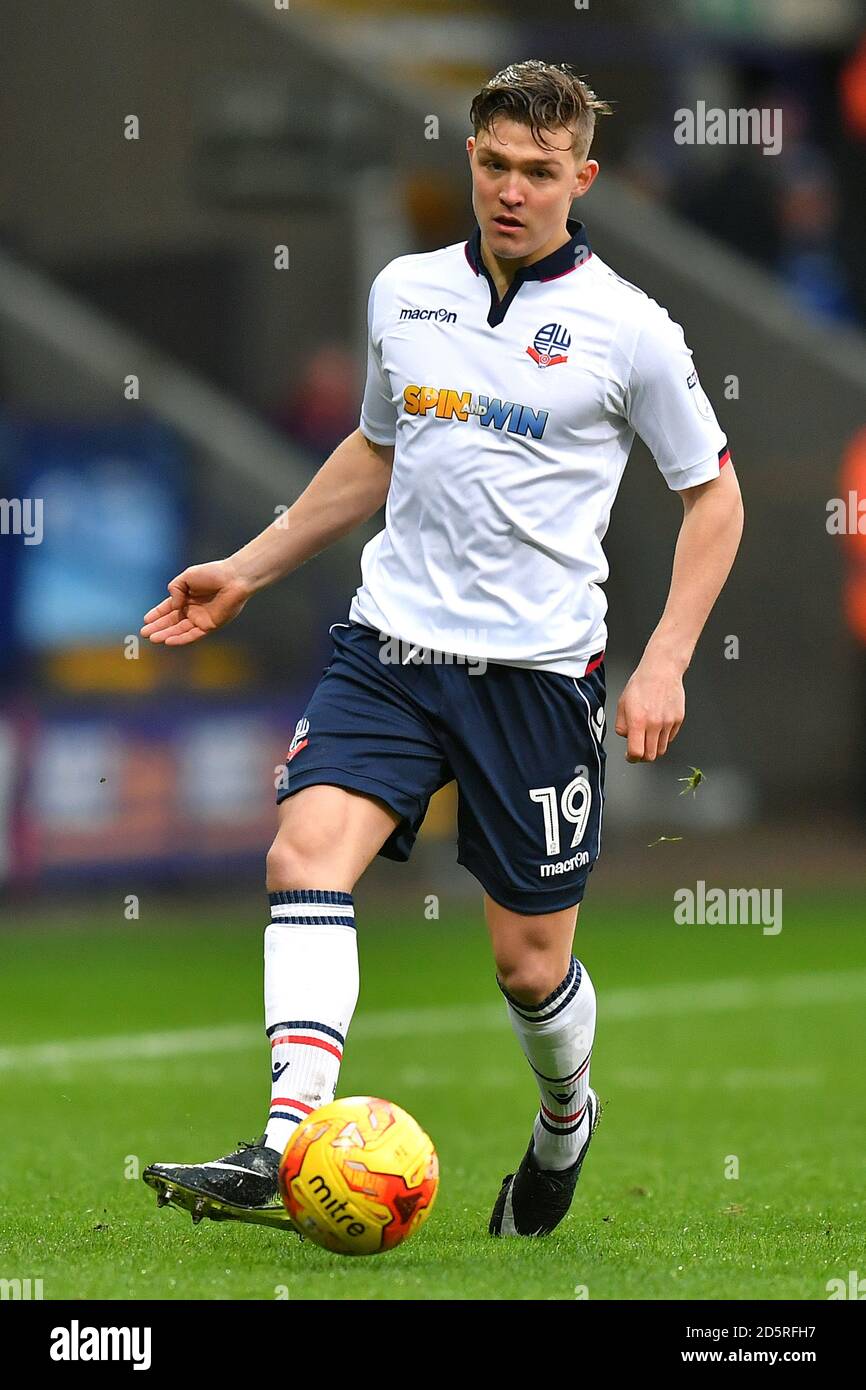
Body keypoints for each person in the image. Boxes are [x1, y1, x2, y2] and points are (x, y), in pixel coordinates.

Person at [140, 60, 744, 1238]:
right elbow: (375, 452)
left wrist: (664, 656)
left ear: (582, 177)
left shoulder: (629, 330)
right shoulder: (405, 292)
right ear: (466, 159)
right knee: (302, 854)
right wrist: (248, 566)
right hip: (391, 648)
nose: (511, 190)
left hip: (534, 678)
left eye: (537, 171)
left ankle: (565, 1116)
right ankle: (283, 1140)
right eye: (492, 165)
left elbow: (711, 498)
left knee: (527, 967)